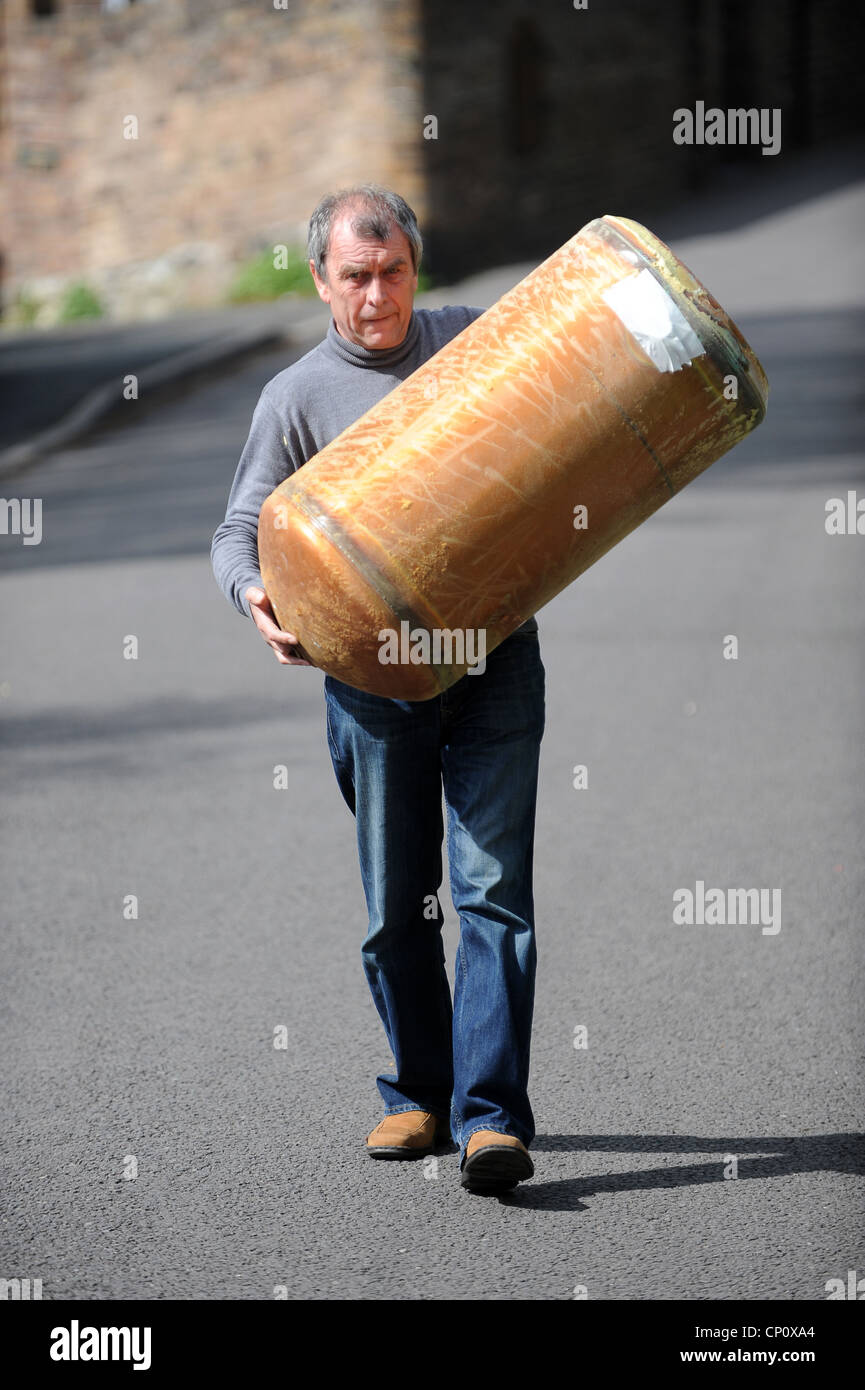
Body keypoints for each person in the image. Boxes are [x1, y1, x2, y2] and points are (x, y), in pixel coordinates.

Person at [211, 185, 545, 1194]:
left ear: (416, 266)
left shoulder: (470, 343)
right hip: (369, 686)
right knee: (398, 907)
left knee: (492, 897)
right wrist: (254, 592)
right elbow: (237, 530)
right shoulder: (296, 398)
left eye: (392, 270)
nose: (374, 296)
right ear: (320, 281)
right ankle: (416, 1095)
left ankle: (491, 1120)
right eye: (353, 277)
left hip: (493, 660)